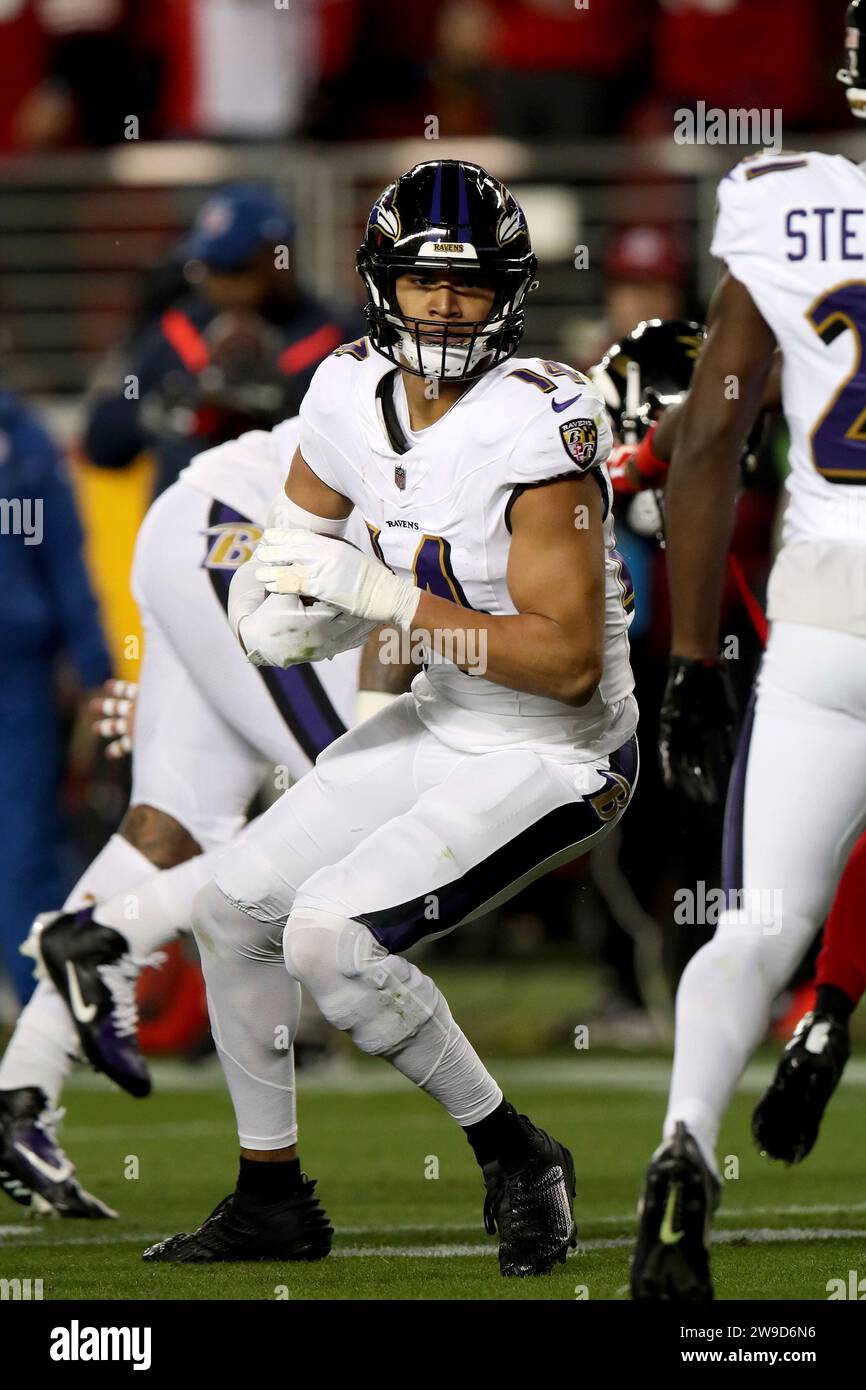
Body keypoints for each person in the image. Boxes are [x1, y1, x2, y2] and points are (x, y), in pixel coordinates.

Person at [130, 159, 638, 1276]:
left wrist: (382, 600)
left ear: (508, 291)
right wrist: (279, 615)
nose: (445, 306)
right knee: (233, 905)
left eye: (469, 285)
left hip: (555, 749)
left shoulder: (538, 424)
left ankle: (512, 1152)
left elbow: (559, 667)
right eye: (422, 281)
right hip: (443, 710)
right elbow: (290, 550)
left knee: (328, 937)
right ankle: (272, 1195)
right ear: (380, 283)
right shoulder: (344, 390)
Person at [0, 414, 395, 1223]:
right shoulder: (515, 421)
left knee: (171, 832)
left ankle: (20, 1096)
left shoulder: (478, 390)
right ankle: (102, 934)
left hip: (210, 532)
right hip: (240, 540)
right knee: (365, 799)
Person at [630, 3, 866, 1300]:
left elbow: (706, 445)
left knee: (751, 929)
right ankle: (828, 1015)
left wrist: (686, 662)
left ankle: (681, 1142)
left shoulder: (791, 205)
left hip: (828, 611)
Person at [83, 184, 353, 497]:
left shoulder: (337, 340)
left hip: (292, 536)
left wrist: (281, 406)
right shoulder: (179, 331)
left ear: (281, 261)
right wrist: (169, 408)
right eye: (206, 270)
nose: (218, 286)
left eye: (234, 269)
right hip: (185, 535)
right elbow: (103, 448)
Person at [0, 384, 111, 1006]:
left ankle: (47, 1012)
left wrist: (95, 669)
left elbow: (65, 557)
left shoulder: (23, 438)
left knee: (23, 849)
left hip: (18, 677)